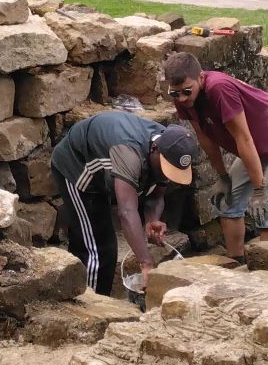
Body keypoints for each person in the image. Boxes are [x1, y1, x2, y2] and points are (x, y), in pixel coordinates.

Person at [164, 52, 268, 261]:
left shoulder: (219, 88)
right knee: (227, 203)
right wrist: (222, 177)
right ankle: (236, 264)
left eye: (187, 91)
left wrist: (259, 189)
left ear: (201, 77)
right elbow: (204, 137)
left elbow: (243, 138)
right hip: (256, 148)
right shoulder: (184, 97)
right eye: (175, 93)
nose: (181, 98)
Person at [51, 110, 198, 297]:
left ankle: (77, 292)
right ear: (155, 149)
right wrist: (146, 263)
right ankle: (92, 303)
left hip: (105, 171)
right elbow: (126, 212)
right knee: (98, 248)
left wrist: (152, 220)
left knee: (94, 241)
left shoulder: (169, 148)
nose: (166, 175)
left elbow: (156, 195)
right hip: (76, 166)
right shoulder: (129, 153)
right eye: (165, 169)